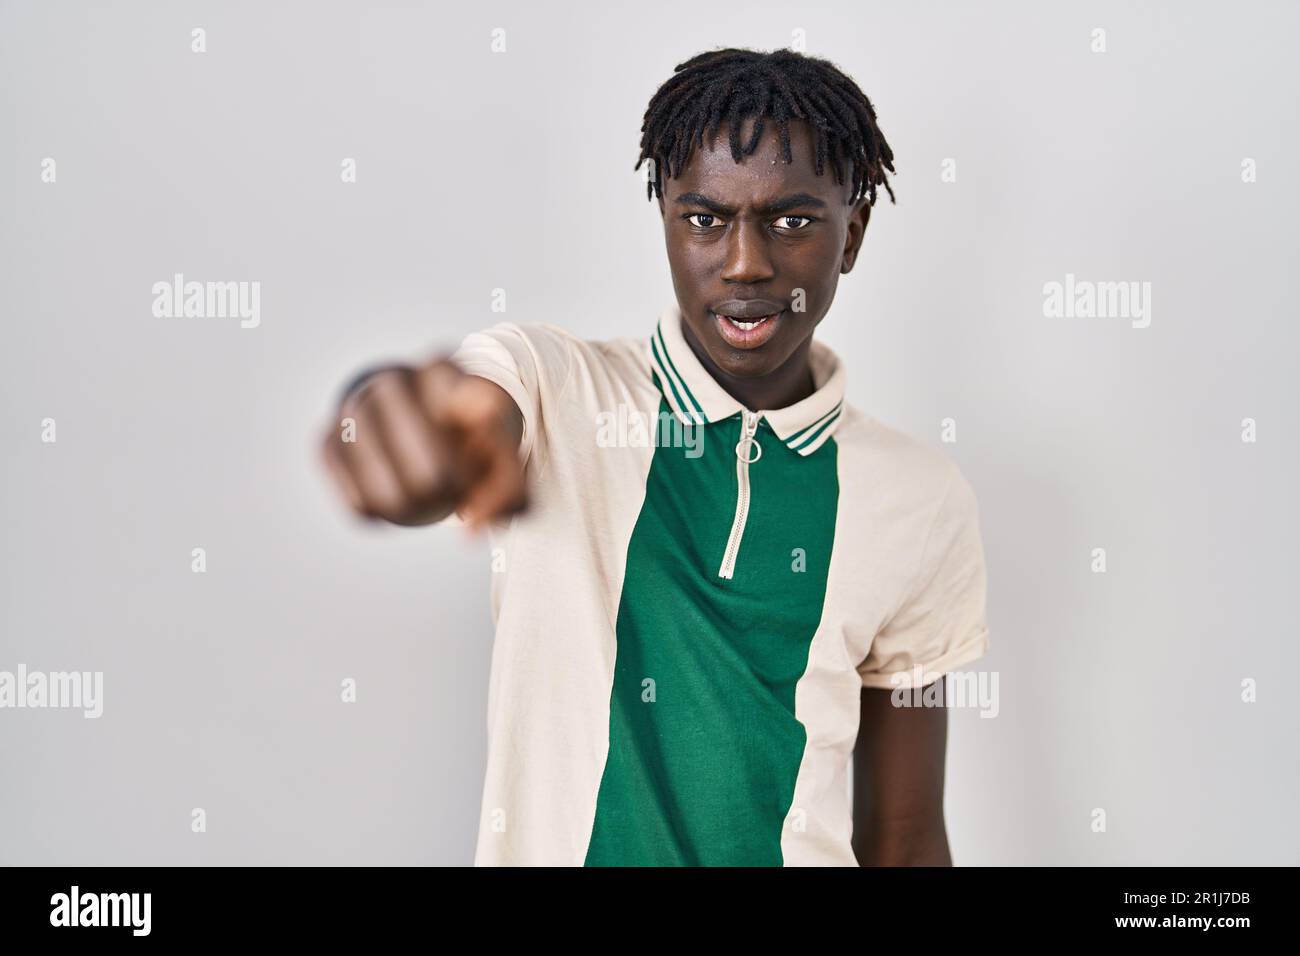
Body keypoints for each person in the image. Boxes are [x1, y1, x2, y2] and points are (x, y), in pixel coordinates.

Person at [320, 47, 990, 866]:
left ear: (852, 234)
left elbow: (907, 835)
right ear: (666, 220)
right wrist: (398, 423)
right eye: (705, 218)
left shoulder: (921, 497)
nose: (745, 262)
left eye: (793, 220)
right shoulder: (556, 390)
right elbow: (461, 409)